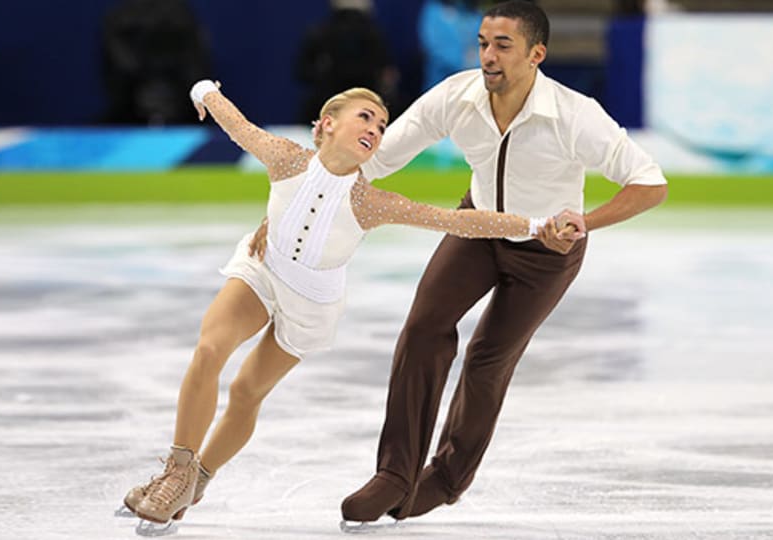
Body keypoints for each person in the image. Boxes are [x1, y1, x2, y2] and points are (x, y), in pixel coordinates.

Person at [250, 0, 668, 525]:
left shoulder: (574, 115)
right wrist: (294, 205)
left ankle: (446, 479)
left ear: (536, 54)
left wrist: (584, 221)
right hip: (477, 229)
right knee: (423, 328)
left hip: (547, 253)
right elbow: (374, 159)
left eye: (503, 46)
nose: (488, 56)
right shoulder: (458, 96)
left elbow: (650, 183)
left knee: (488, 358)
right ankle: (394, 475)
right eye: (483, 44)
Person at [118, 78, 582, 536]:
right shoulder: (285, 158)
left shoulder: (369, 202)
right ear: (327, 124)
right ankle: (176, 474)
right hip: (263, 271)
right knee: (209, 350)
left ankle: (198, 480)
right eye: (365, 117)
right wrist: (204, 91)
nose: (375, 130)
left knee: (246, 392)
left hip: (310, 304)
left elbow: (455, 220)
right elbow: (238, 126)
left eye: (381, 125)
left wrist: (536, 225)